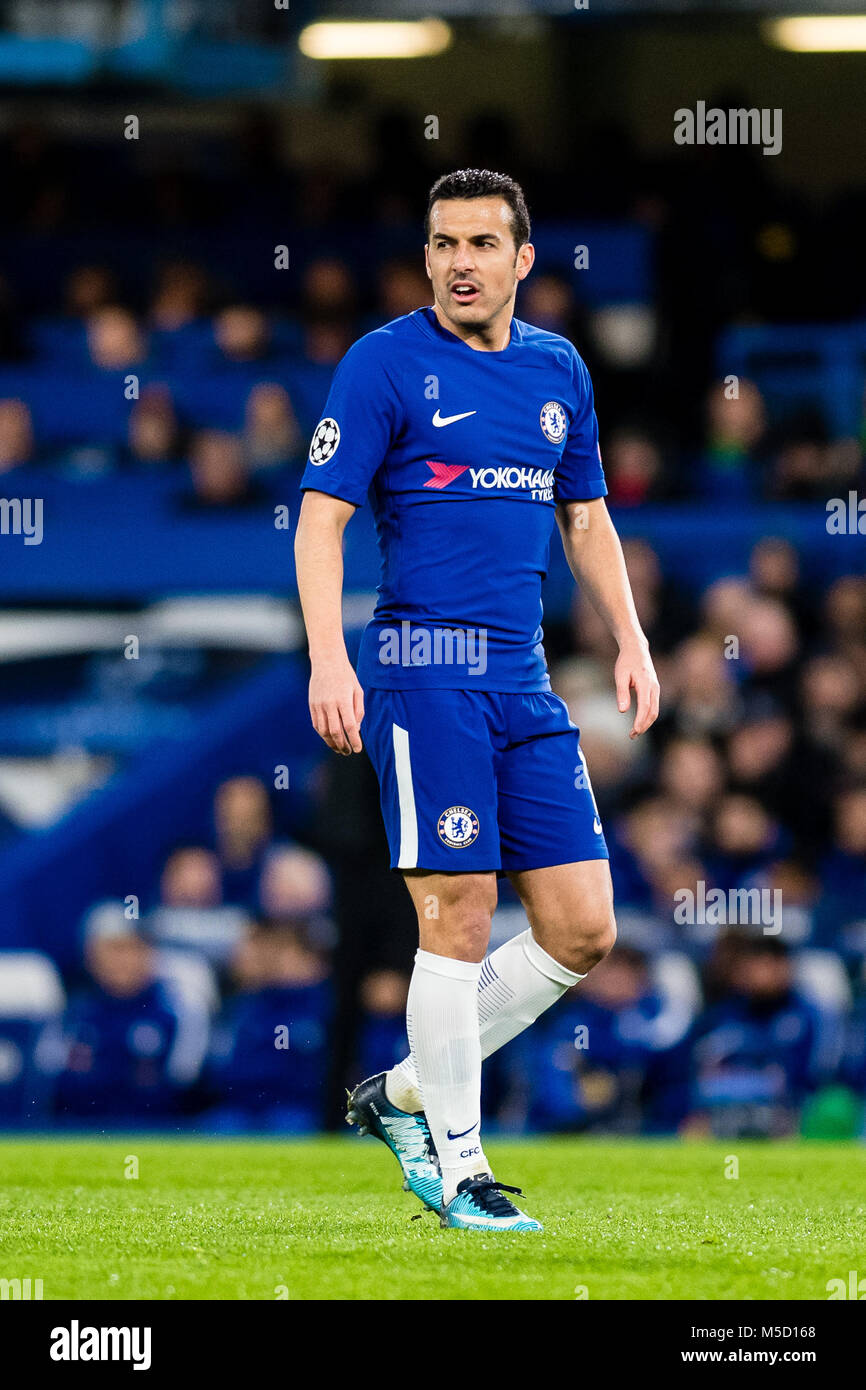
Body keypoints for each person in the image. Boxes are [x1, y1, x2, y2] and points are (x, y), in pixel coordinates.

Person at [294, 168, 660, 1232]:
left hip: (524, 679)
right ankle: (459, 1172)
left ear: (521, 259)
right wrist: (330, 656)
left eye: (480, 244)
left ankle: (403, 1095)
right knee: (454, 915)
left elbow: (582, 517)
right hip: (422, 673)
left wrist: (629, 637)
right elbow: (320, 520)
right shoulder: (382, 364)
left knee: (583, 928)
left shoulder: (557, 369)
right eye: (443, 243)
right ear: (427, 258)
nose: (460, 262)